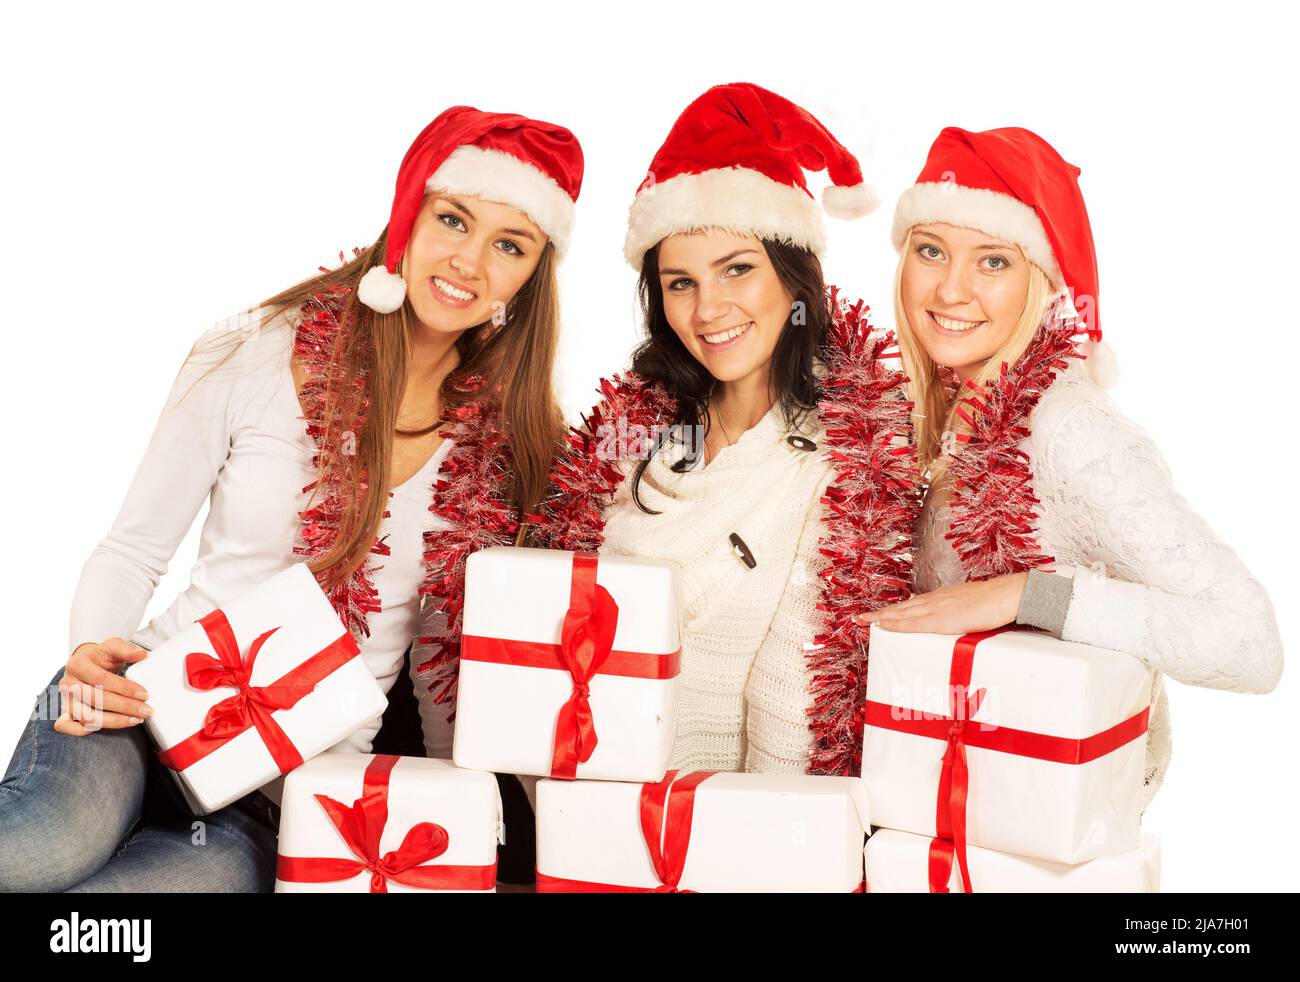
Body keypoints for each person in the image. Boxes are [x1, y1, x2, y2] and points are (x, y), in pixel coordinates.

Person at [0, 105, 584, 891]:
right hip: (138, 705)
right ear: (411, 212)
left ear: (530, 276)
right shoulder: (252, 348)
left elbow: (448, 665)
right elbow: (134, 548)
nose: (470, 262)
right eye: (453, 219)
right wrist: (91, 650)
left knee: (119, 912)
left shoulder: (509, 447)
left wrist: (460, 817)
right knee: (40, 852)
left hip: (278, 795)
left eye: (508, 244)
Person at [856, 126, 1284, 809]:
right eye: (931, 251)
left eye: (993, 262)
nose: (951, 290)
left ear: (1040, 283)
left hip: (1043, 830)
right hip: (934, 803)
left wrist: (1027, 596)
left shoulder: (1066, 427)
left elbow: (1249, 640)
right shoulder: (918, 416)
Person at [524, 83, 919, 789]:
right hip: (577, 821)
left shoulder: (845, 467)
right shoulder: (628, 438)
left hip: (729, 839)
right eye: (680, 283)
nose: (709, 309)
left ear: (795, 279)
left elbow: (793, 706)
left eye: (737, 269)